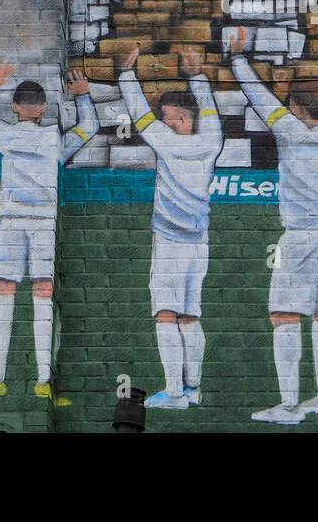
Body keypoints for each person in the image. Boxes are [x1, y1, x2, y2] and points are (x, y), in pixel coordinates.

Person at [230, 28, 318, 426]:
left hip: (298, 238)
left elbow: (258, 96)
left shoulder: (289, 129)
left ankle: (287, 406)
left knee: (283, 316)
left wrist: (237, 59)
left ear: (297, 107)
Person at [0, 65, 95, 400]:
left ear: (14, 106)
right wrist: (82, 95)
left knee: (1, 291)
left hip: (10, 222)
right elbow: (91, 127)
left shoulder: (4, 134)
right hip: (44, 224)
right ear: (42, 108)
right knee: (43, 295)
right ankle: (44, 379)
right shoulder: (55, 139)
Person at [118, 45, 223, 410]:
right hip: (199, 242)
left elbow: (138, 113)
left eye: (166, 116)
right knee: (190, 315)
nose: (161, 121)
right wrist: (197, 75)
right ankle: (193, 389)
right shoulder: (212, 142)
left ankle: (175, 393)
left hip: (170, 242)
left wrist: (126, 74)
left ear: (179, 116)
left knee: (166, 313)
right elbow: (210, 112)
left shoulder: (167, 143)